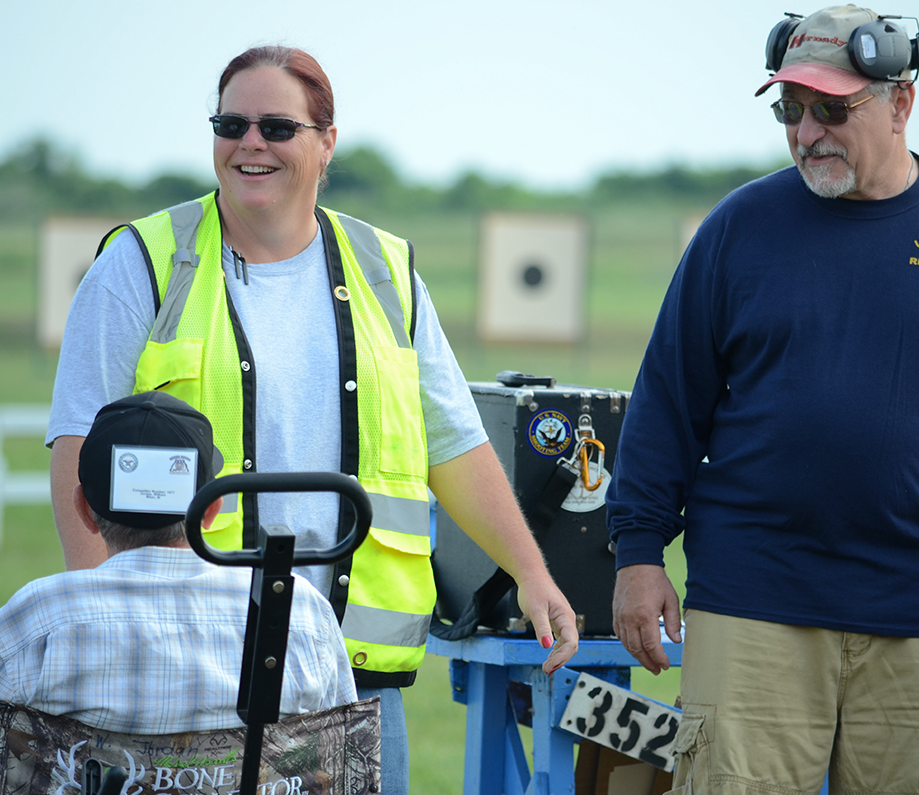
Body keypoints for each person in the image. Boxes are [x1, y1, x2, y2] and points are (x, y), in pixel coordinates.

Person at [45, 45, 579, 794]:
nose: (250, 142)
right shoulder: (142, 263)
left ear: (327, 141)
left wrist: (532, 573)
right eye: (231, 123)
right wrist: (102, 628)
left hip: (355, 685)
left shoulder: (386, 269)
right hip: (183, 671)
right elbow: (78, 452)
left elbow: (454, 443)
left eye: (276, 126)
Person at [607, 5, 919, 791]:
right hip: (752, 605)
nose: (806, 129)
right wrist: (639, 552)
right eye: (791, 108)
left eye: (831, 108)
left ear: (901, 104)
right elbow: (666, 403)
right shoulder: (737, 228)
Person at [0, 392, 357, 795]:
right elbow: (346, 774)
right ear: (212, 508)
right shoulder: (301, 611)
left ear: (84, 510)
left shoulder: (36, 620)